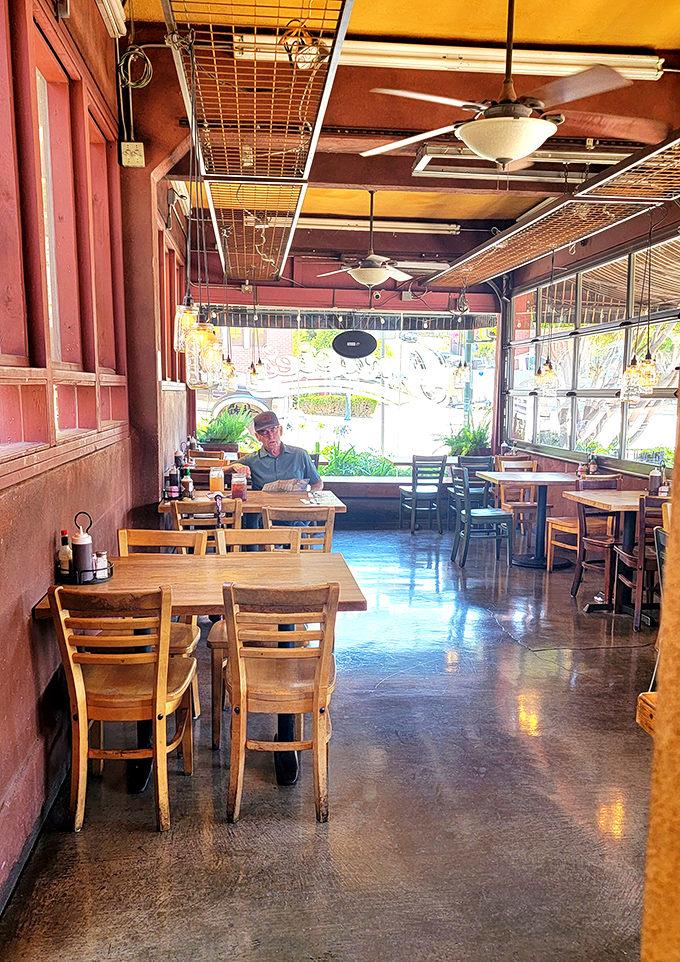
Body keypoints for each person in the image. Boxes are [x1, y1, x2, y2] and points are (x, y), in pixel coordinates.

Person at [225, 410, 323, 493]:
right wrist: (234, 466)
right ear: (258, 437)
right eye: (264, 432)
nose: (271, 436)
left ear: (280, 431)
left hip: (294, 507)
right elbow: (220, 470)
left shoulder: (300, 455)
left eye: (273, 430)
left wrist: (308, 495)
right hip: (263, 508)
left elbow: (318, 483)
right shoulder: (252, 459)